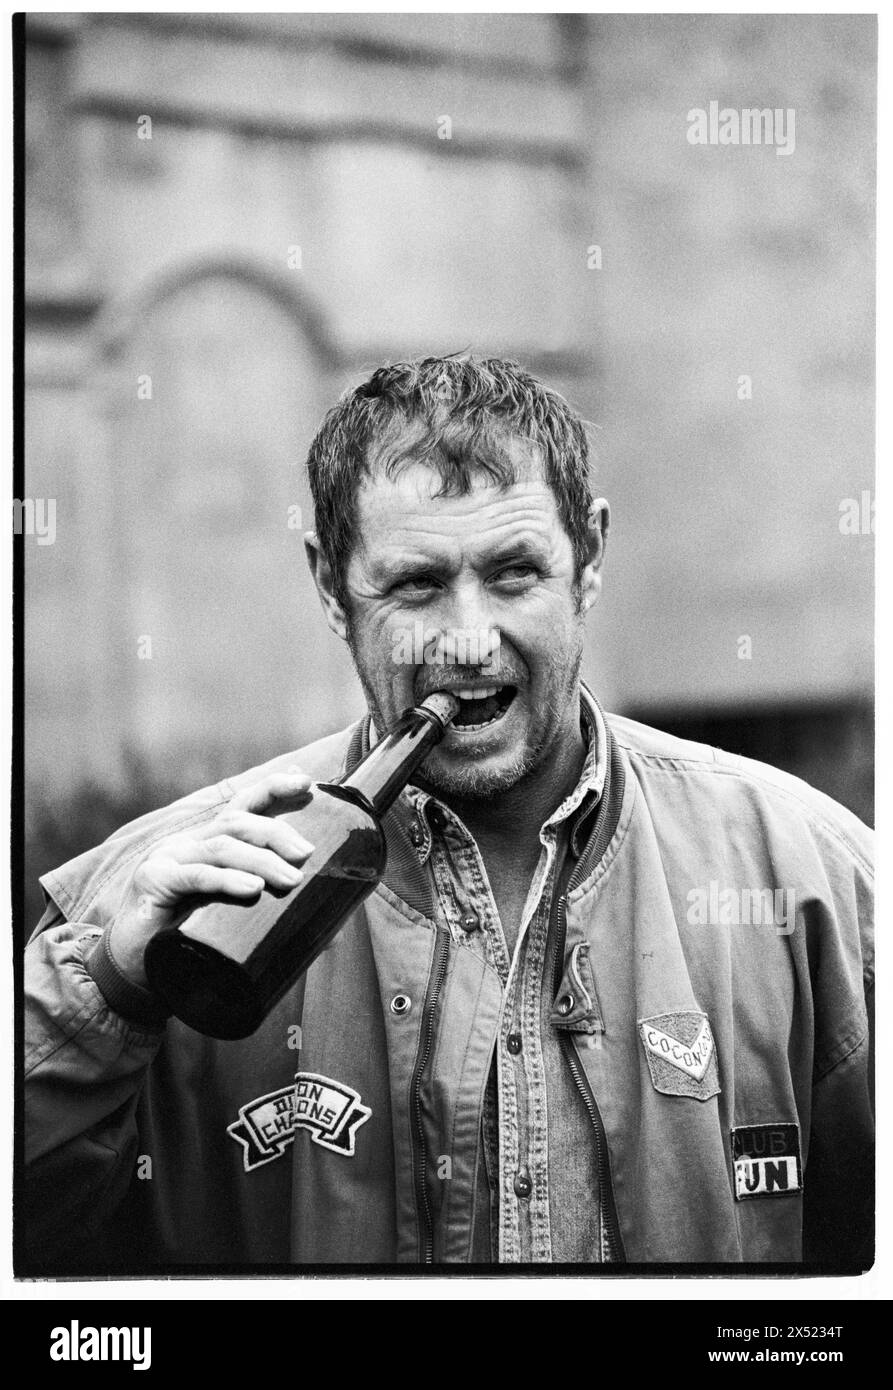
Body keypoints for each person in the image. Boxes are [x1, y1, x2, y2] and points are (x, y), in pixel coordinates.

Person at [23, 356, 873, 1270]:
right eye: (417, 585)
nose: (469, 638)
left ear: (588, 559)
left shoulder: (806, 874)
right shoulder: (159, 900)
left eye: (513, 573)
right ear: (329, 586)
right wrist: (109, 995)